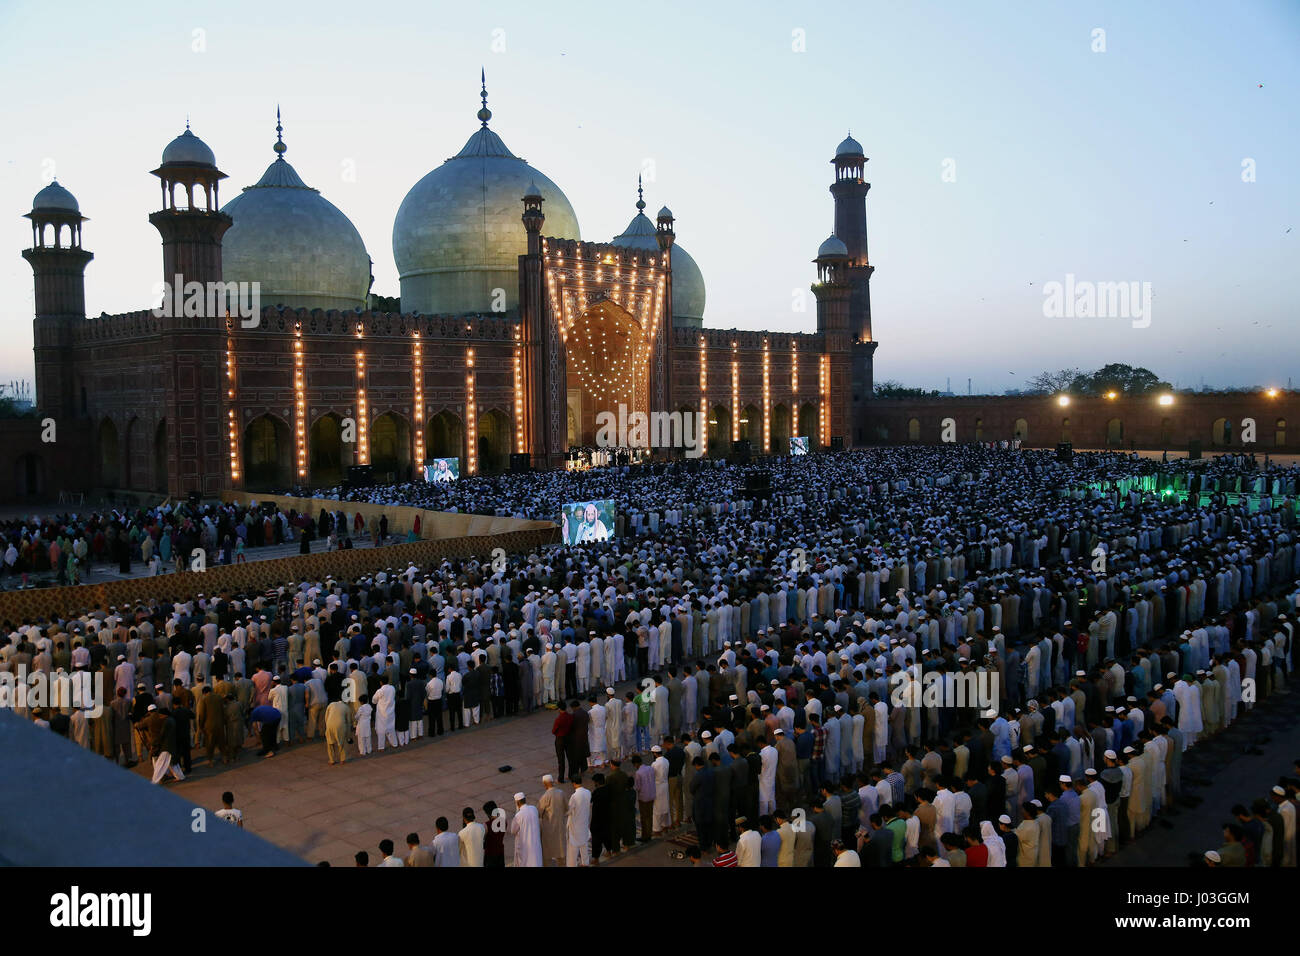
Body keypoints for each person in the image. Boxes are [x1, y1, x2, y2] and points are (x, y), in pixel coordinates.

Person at [538, 774, 569, 866]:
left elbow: (539, 812)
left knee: (547, 852)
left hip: (548, 829)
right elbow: (566, 808)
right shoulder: (561, 793)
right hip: (560, 826)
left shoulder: (545, 796)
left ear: (545, 784)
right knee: (561, 850)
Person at [509, 792, 544, 867]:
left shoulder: (518, 815)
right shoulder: (534, 809)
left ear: (517, 803)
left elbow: (513, 831)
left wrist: (517, 813)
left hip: (525, 847)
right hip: (535, 844)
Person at [566, 775, 593, 867]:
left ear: (573, 783)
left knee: (573, 848)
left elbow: (568, 811)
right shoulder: (588, 792)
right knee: (584, 844)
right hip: (584, 822)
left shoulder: (574, 796)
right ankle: (585, 863)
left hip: (575, 824)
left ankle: (572, 865)